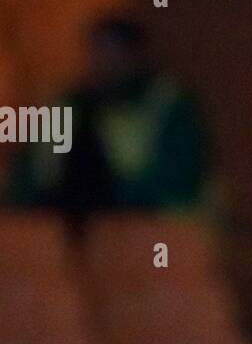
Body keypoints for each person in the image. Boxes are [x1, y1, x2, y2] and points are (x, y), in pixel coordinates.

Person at [4, 14, 208, 217]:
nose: (105, 61)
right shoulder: (67, 106)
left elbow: (180, 180)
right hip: (62, 228)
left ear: (136, 55)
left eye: (115, 51)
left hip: (149, 228)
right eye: (98, 50)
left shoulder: (166, 103)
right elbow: (30, 178)